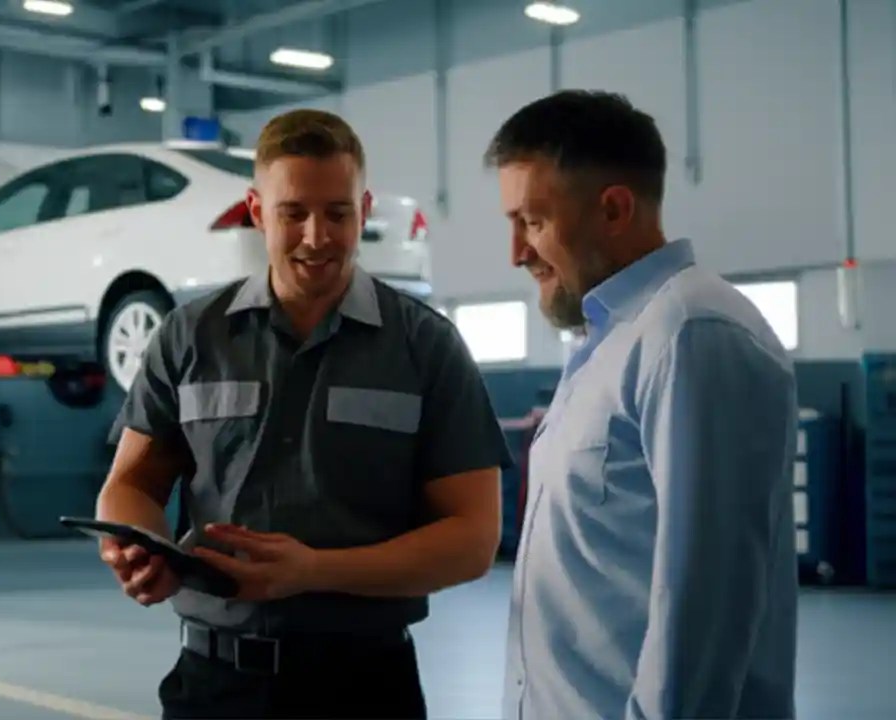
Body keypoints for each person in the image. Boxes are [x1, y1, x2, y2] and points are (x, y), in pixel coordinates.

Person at [95, 108, 514, 720]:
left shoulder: (427, 347)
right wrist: (140, 551)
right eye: (293, 213)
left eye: (337, 213)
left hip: (365, 690)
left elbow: (473, 540)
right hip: (214, 689)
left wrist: (315, 571)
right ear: (257, 210)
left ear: (363, 210)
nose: (317, 237)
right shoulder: (189, 337)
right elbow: (129, 484)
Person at [484, 89, 800, 720]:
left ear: (614, 209)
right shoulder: (607, 342)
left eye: (534, 222)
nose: (516, 253)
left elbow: (702, 607)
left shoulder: (690, 332)